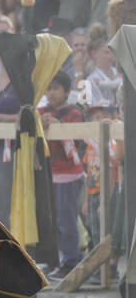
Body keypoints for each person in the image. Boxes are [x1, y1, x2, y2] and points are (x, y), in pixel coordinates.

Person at [38, 72, 86, 276]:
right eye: (48, 88)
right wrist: (41, 122)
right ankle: (55, 260)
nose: (51, 93)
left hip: (69, 174)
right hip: (50, 174)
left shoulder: (74, 113)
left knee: (66, 221)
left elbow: (75, 140)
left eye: (56, 88)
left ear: (67, 91)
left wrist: (56, 124)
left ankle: (71, 260)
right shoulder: (41, 111)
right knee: (52, 220)